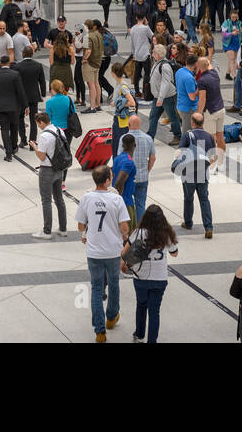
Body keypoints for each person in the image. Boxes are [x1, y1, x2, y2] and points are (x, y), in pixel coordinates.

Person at [76, 164, 131, 342]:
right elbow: (124, 226)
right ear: (107, 181)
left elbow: (80, 226)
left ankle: (99, 330)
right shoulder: (116, 199)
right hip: (113, 251)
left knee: (97, 289)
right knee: (114, 284)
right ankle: (112, 316)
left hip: (94, 252)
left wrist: (87, 231)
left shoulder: (86, 198)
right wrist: (125, 235)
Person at [121, 204, 178, 343]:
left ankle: (139, 334)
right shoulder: (167, 234)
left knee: (141, 305)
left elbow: (124, 253)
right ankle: (152, 340)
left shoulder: (138, 233)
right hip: (160, 278)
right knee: (154, 311)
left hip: (141, 277)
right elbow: (174, 253)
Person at [173, 112, 216, 238]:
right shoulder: (209, 137)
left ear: (192, 123)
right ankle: (208, 227)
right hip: (203, 174)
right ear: (202, 123)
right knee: (204, 199)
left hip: (189, 173)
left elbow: (180, 152)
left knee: (188, 198)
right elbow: (213, 157)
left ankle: (188, 222)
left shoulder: (188, 135)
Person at [28, 108, 69, 239]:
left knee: (46, 200)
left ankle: (47, 231)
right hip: (59, 168)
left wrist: (35, 146)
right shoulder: (59, 130)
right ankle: (63, 229)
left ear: (41, 122)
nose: (38, 126)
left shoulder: (44, 136)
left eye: (37, 124)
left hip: (47, 170)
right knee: (59, 199)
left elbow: (41, 156)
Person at [0, 57, 27, 162]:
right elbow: (20, 92)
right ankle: (14, 147)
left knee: (4, 129)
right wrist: (25, 106)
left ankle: (8, 153)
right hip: (14, 106)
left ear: (0, 64)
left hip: (0, 106)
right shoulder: (15, 75)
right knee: (14, 127)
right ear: (9, 63)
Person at [125, 114, 156, 223]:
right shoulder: (148, 139)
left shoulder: (124, 139)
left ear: (128, 125)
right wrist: (147, 170)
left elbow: (121, 159)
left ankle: (130, 227)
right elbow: (153, 158)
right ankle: (140, 229)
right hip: (143, 177)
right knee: (140, 204)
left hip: (128, 178)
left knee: (127, 204)